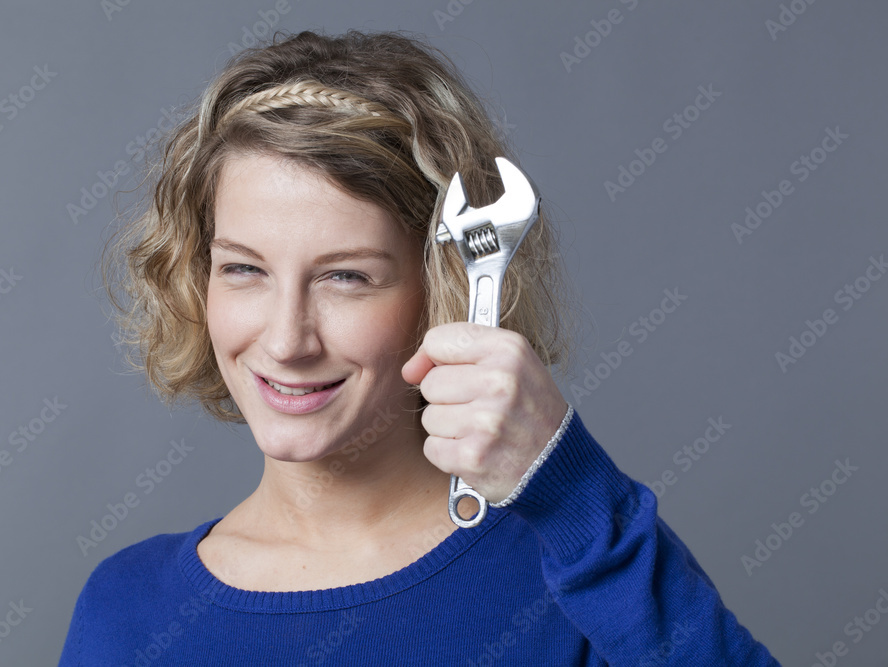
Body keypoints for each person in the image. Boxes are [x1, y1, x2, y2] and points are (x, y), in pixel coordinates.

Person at [59, 29, 779, 665]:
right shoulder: (125, 612)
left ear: (445, 292)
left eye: (347, 277)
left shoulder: (580, 577)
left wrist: (576, 491)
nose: (286, 338)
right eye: (244, 269)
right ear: (198, 278)